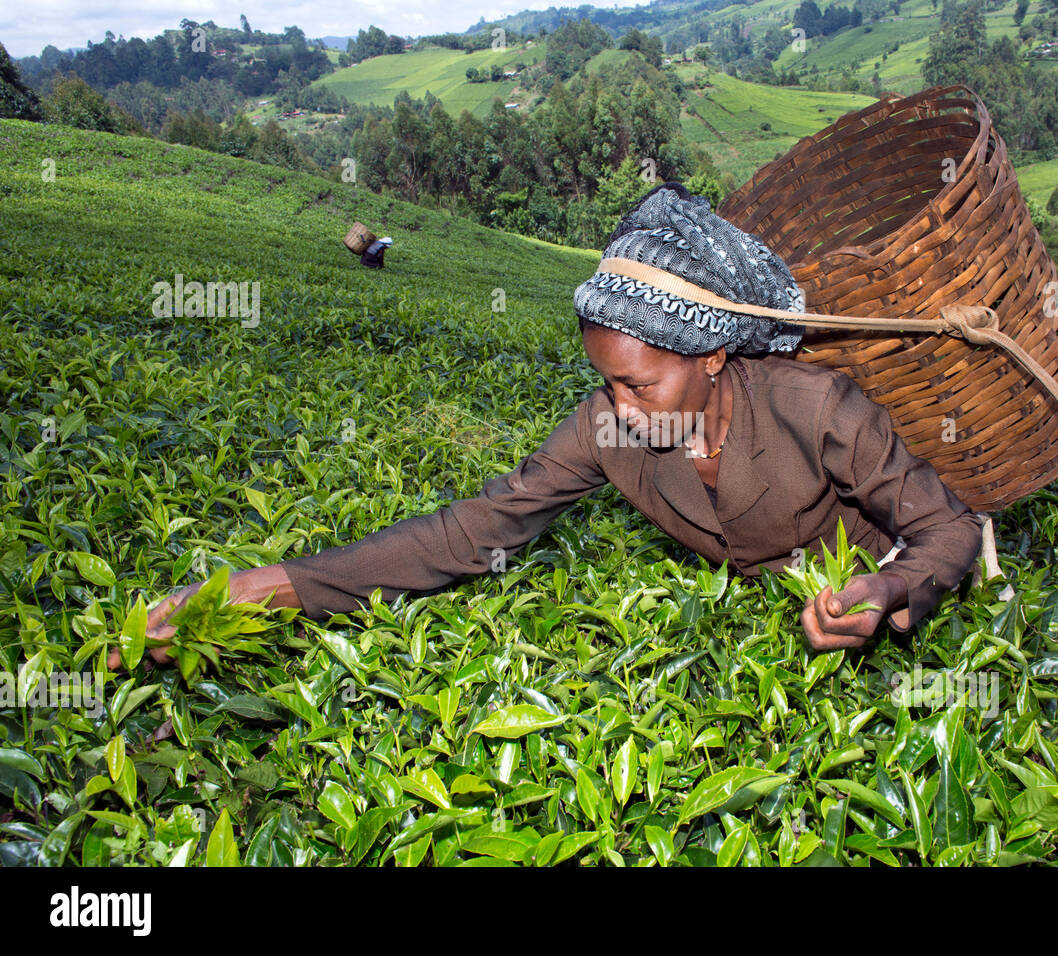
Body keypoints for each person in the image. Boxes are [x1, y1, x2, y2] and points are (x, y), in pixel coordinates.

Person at [109, 183, 982, 670]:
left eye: (639, 384)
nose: (619, 409)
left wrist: (888, 590)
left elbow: (946, 526)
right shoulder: (609, 428)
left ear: (712, 356)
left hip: (871, 592)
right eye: (606, 384)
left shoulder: (813, 406)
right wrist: (264, 587)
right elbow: (467, 533)